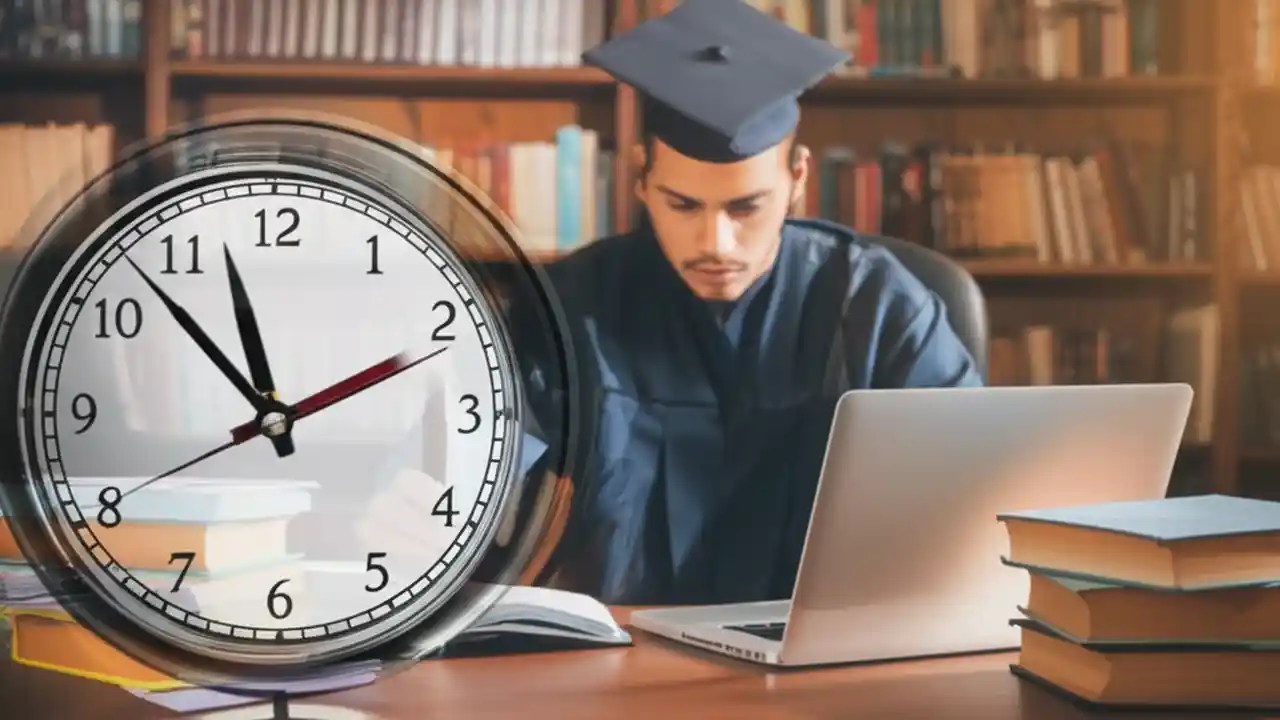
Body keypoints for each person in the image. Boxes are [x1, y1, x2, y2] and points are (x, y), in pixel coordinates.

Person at [511, 0, 982, 606]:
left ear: (798, 180)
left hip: (818, 669)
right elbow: (484, 472)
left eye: (746, 207)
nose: (715, 244)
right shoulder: (567, 309)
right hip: (618, 671)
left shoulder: (879, 308)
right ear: (639, 179)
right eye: (682, 205)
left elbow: (971, 495)